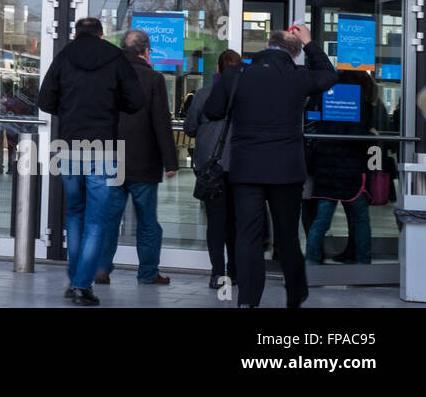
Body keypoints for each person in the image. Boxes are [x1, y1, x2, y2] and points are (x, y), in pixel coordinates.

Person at [204, 24, 336, 308]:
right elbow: (328, 75)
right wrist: (310, 43)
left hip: (246, 169)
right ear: (296, 52)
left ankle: (248, 301)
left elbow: (212, 110)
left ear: (266, 45)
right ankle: (295, 294)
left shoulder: (236, 75)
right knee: (287, 235)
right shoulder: (299, 76)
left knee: (247, 236)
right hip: (286, 170)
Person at [38, 17, 144, 306]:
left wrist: (70, 106)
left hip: (69, 147)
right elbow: (135, 101)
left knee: (75, 213)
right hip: (104, 149)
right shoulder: (116, 58)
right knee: (96, 220)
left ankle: (76, 280)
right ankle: (82, 286)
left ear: (75, 34)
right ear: (101, 34)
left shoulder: (64, 57)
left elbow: (44, 101)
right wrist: (109, 103)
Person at [95, 29, 179, 285]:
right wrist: (171, 161)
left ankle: (101, 268)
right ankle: (148, 273)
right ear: (146, 52)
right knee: (147, 222)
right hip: (144, 162)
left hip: (112, 160)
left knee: (109, 220)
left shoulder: (107, 76)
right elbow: (161, 121)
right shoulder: (153, 79)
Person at [184, 49, 243, 288]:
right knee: (237, 222)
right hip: (241, 168)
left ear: (218, 69)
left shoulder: (204, 94)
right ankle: (236, 272)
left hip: (212, 168)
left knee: (216, 222)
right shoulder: (248, 97)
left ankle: (218, 273)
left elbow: (189, 127)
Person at [305, 69, 375, 265]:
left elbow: (312, 123)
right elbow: (360, 132)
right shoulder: (359, 99)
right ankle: (363, 262)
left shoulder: (324, 95)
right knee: (360, 219)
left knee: (321, 219)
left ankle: (311, 261)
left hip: (326, 167)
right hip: (352, 167)